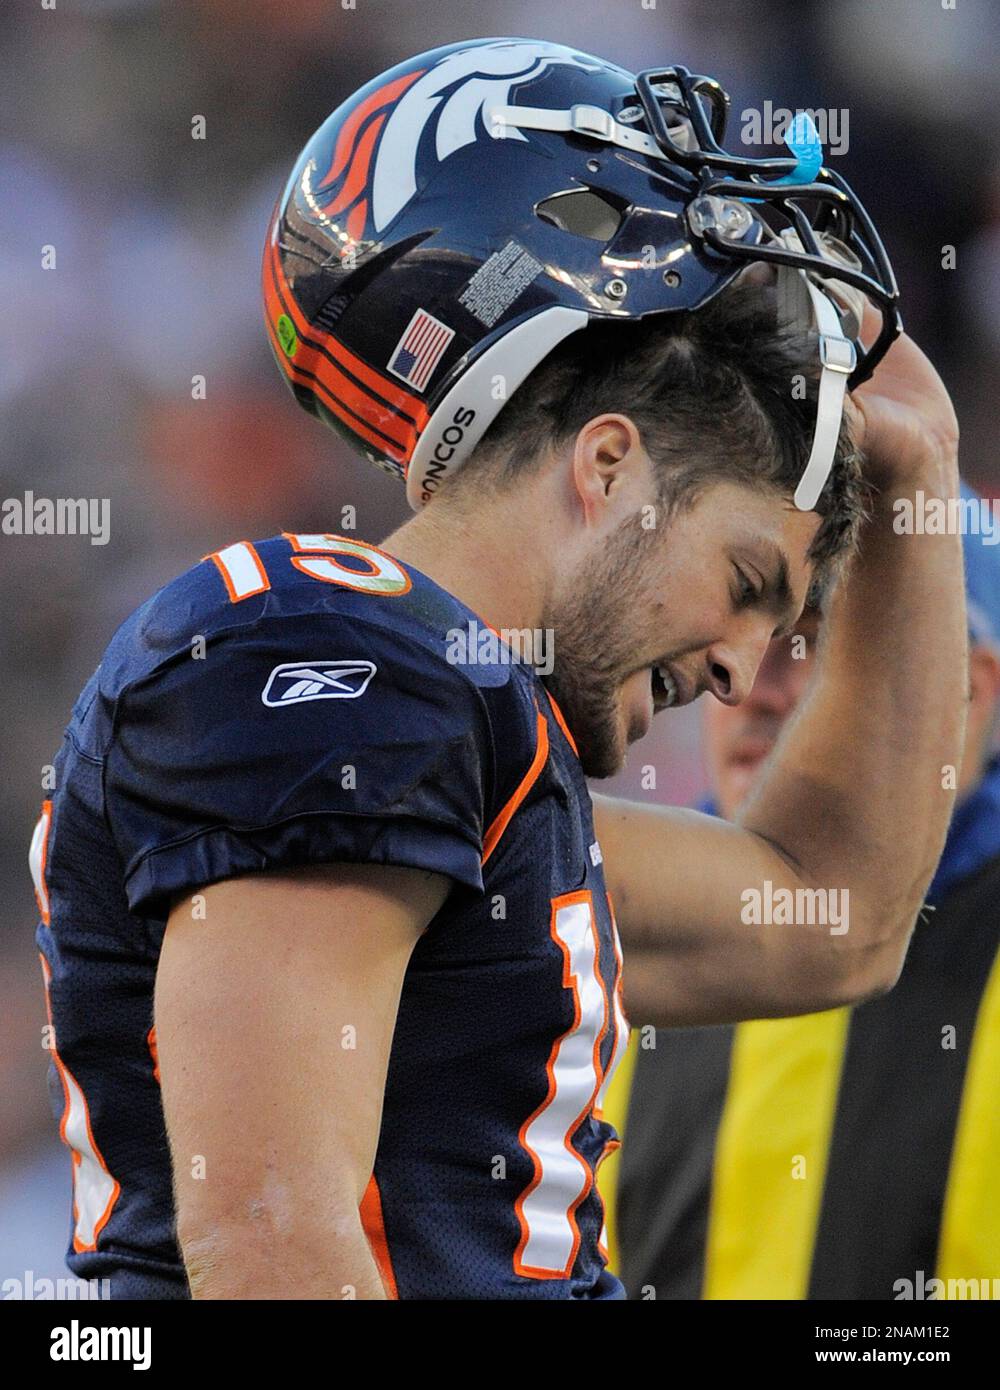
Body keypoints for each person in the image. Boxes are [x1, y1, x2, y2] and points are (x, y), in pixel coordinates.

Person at [30, 38, 964, 1300]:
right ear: (609, 467)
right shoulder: (335, 650)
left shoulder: (471, 737)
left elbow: (832, 917)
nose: (745, 671)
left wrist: (924, 465)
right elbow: (270, 1246)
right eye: (749, 584)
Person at [608, 485, 1000, 1300]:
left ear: (966, 691)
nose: (750, 690)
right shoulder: (611, 924)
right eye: (736, 635)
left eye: (812, 644)